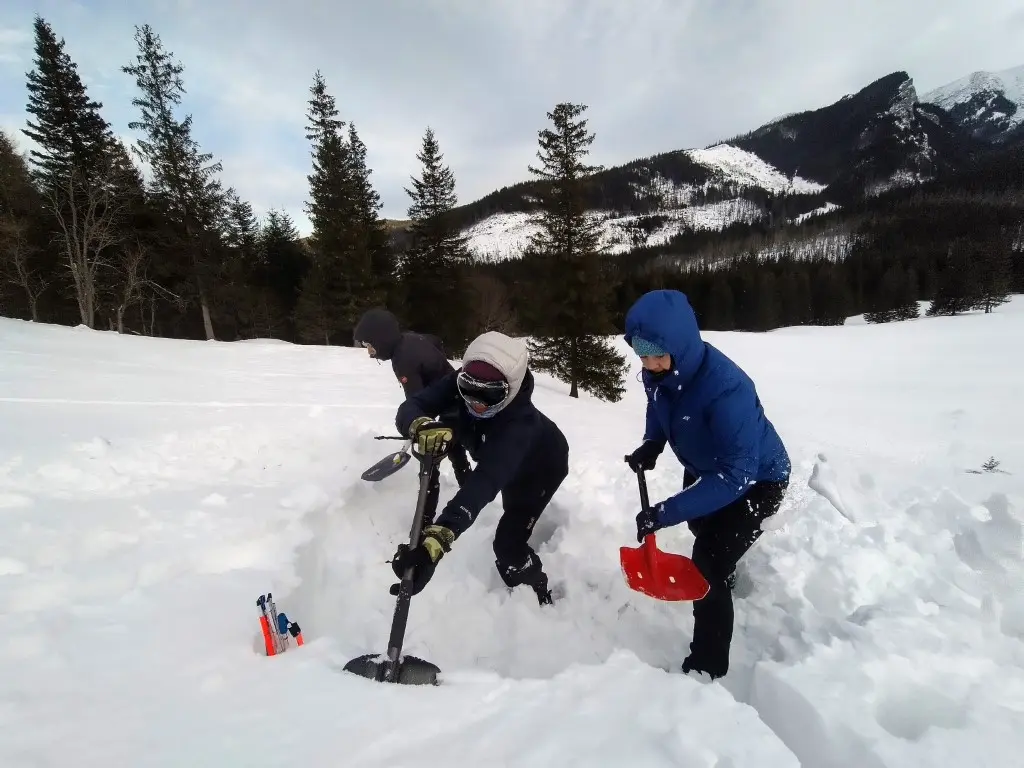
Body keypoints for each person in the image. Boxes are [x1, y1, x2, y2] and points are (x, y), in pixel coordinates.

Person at [622, 289, 791, 680]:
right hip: (706, 467)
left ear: (681, 345)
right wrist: (653, 442)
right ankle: (725, 566)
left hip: (757, 479)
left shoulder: (728, 389)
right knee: (703, 525)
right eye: (642, 356)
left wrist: (665, 512)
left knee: (708, 561)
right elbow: (659, 403)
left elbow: (737, 475)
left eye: (657, 355)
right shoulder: (659, 372)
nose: (650, 366)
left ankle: (707, 665)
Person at [388, 330, 569, 606]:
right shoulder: (472, 379)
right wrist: (420, 425)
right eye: (468, 392)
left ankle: (536, 589)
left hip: (539, 469)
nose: (477, 404)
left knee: (508, 544)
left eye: (490, 397)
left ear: (511, 387)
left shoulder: (519, 427)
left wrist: (437, 540)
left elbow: (483, 484)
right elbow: (414, 404)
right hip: (500, 460)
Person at [353, 308, 471, 522]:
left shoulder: (403, 359)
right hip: (454, 393)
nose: (368, 351)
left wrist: (418, 427)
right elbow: (434, 341)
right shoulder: (408, 339)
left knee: (430, 454)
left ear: (381, 339)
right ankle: (469, 489)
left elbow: (417, 405)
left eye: (368, 344)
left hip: (450, 400)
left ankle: (425, 518)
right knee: (455, 448)